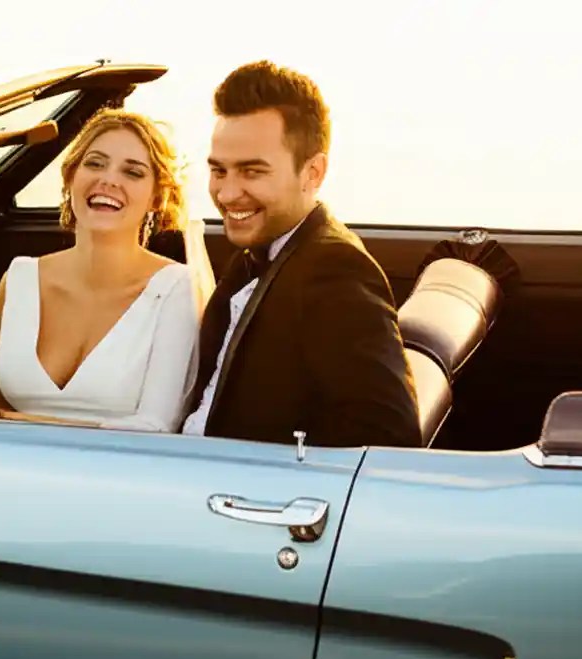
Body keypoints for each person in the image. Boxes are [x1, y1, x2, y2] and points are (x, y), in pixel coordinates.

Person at [181, 60, 423, 448]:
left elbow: (388, 438)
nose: (226, 194)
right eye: (219, 171)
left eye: (252, 172)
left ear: (313, 173)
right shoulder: (256, 253)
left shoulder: (335, 270)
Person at [0, 109, 201, 432]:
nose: (109, 180)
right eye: (95, 163)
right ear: (70, 177)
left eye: (133, 172)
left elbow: (155, 428)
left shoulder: (178, 290)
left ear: (157, 198)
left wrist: (14, 421)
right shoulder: (19, 280)